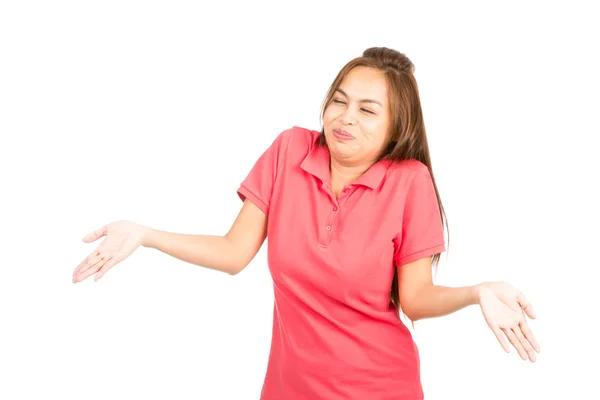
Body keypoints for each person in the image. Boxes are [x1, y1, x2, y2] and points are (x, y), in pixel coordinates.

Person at [72, 47, 540, 399]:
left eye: (367, 109)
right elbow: (235, 252)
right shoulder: (290, 151)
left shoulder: (408, 183)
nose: (345, 117)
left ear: (398, 125)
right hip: (287, 389)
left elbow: (415, 299)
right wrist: (147, 235)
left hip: (378, 388)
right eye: (339, 101)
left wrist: (477, 291)